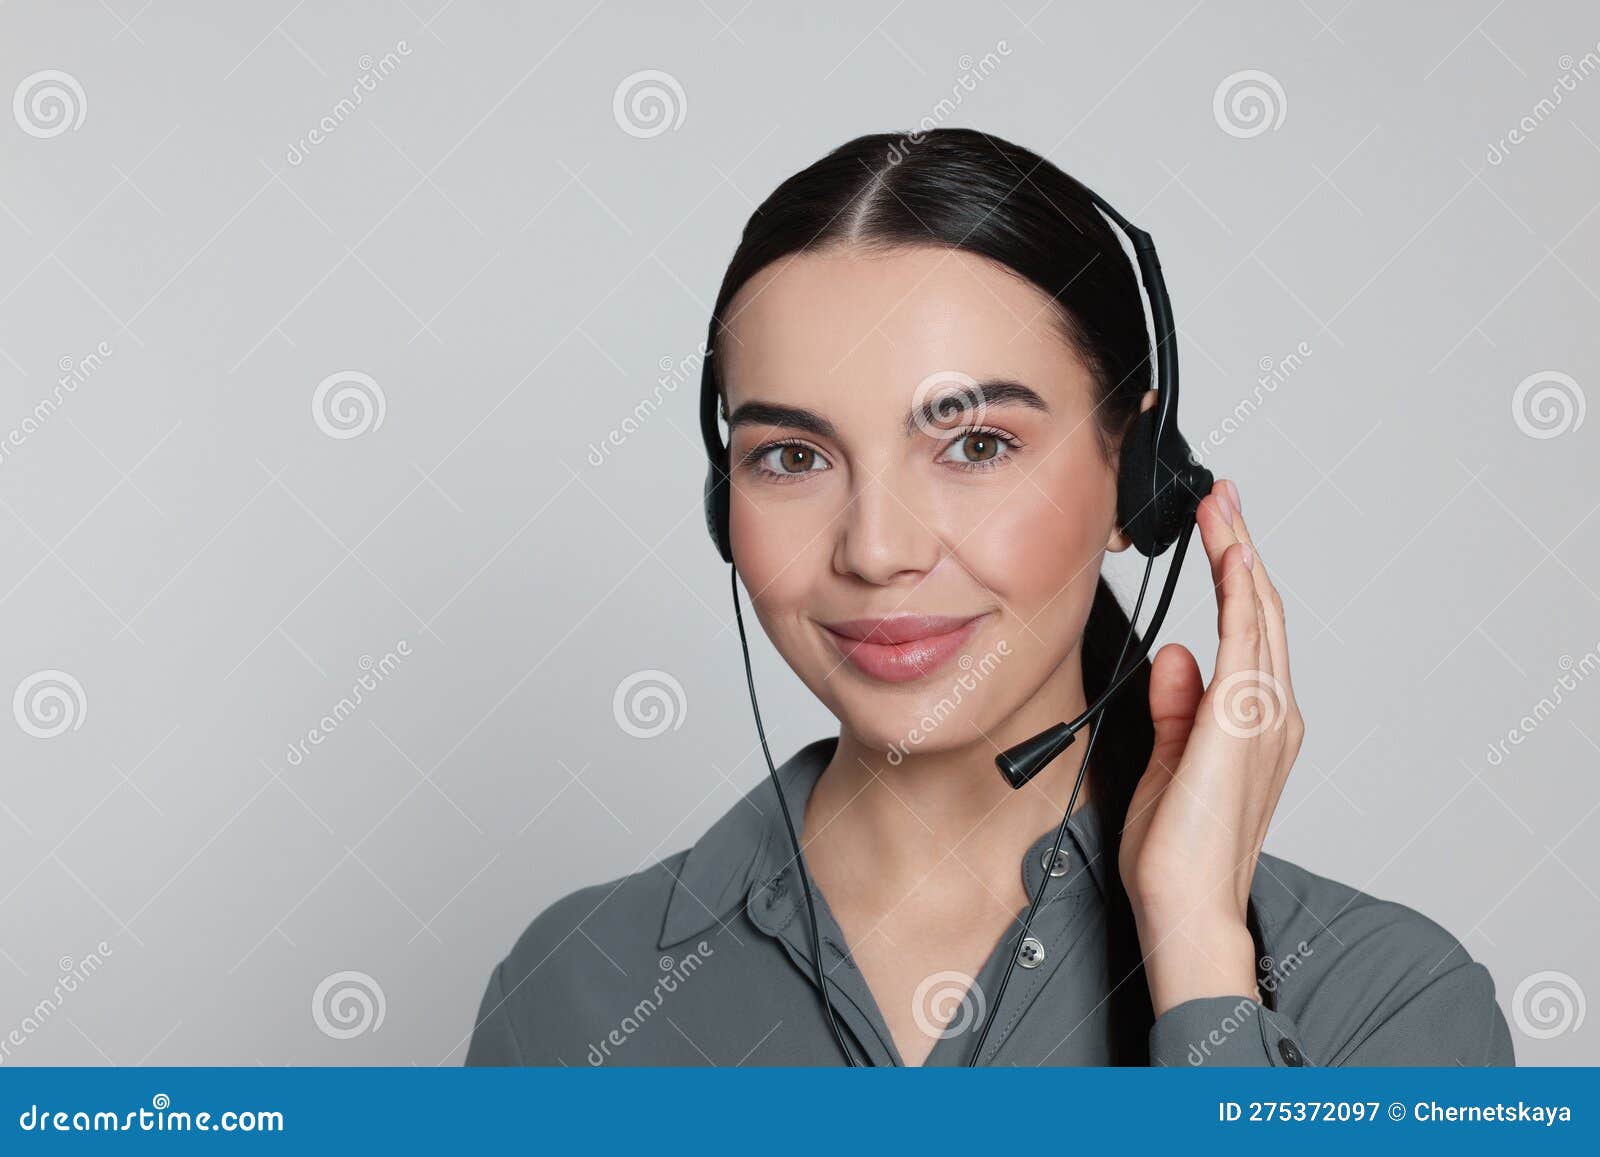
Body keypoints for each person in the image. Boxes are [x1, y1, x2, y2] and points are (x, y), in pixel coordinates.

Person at [465, 128, 1514, 1067]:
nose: (876, 550)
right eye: (791, 455)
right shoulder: (570, 990)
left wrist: (1196, 950)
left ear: (1135, 479)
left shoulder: (1384, 1001)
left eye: (975, 444)